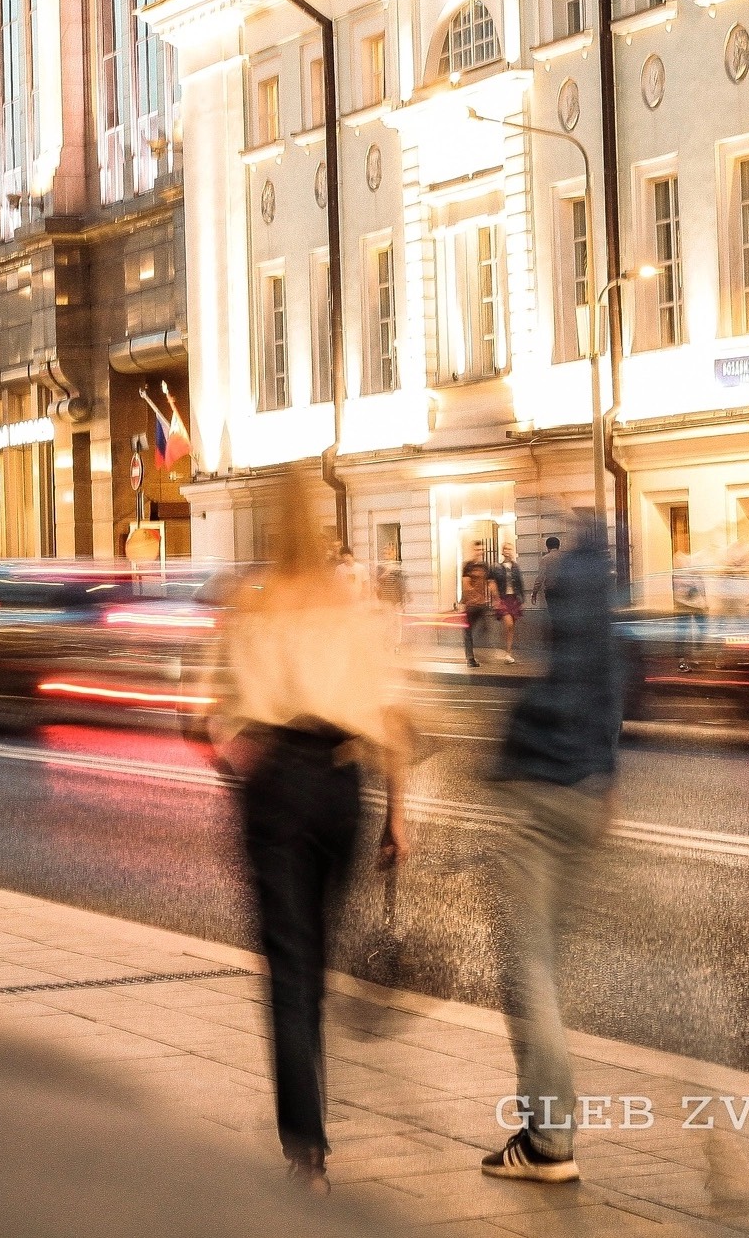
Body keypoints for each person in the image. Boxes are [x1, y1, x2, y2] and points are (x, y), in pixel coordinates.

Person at [214, 475, 411, 1191]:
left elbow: (218, 714)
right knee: (315, 966)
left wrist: (235, 755)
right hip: (341, 784)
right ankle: (312, 1125)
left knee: (289, 971)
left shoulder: (253, 600)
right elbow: (393, 714)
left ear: (268, 522)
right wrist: (397, 815)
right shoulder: (353, 605)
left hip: (276, 784)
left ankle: (308, 1152)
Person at [482, 513, 632, 1184]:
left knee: (528, 964)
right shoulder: (608, 599)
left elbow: (556, 692)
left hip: (541, 788)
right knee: (547, 960)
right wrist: (607, 780)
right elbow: (607, 699)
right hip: (587, 789)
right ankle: (549, 1126)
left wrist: (505, 740)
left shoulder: (567, 589)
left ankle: (548, 1135)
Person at [460, 547, 496, 669]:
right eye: (477, 549)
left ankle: (480, 651)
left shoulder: (485, 566)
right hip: (471, 605)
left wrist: (496, 598)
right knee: (468, 632)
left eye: (481, 550)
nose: (479, 552)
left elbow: (491, 583)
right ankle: (470, 658)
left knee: (482, 628)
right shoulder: (468, 566)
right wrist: (470, 598)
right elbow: (465, 584)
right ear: (473, 551)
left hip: (481, 604)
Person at [494, 541, 525, 664]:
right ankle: (506, 650)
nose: (507, 551)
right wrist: (495, 600)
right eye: (505, 549)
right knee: (509, 624)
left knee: (511, 627)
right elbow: (494, 583)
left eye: (509, 549)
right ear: (502, 551)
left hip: (514, 598)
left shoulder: (515, 567)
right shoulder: (498, 567)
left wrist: (522, 599)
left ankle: (508, 652)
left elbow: (519, 583)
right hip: (503, 598)